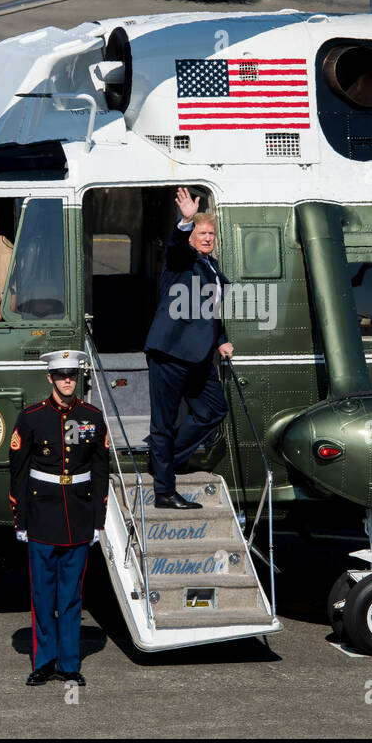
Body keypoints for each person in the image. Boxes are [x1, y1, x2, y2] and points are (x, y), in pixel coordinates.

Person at [9, 350, 111, 687]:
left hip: (79, 516)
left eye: (72, 375)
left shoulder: (93, 417)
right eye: (61, 375)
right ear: (50, 378)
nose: (67, 380)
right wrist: (20, 519)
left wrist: (99, 519)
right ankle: (43, 661)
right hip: (41, 516)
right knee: (42, 594)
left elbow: (100, 472)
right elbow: (19, 473)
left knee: (71, 597)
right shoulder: (32, 417)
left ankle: (68, 664)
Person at [144, 188, 233, 509]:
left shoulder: (211, 266)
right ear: (191, 238)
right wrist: (184, 221)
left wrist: (221, 340)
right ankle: (164, 491)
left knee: (213, 410)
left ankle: (166, 460)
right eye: (201, 233)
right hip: (170, 352)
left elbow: (208, 312)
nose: (207, 238)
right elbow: (175, 248)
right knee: (163, 423)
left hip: (197, 355)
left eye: (210, 233)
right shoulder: (181, 262)